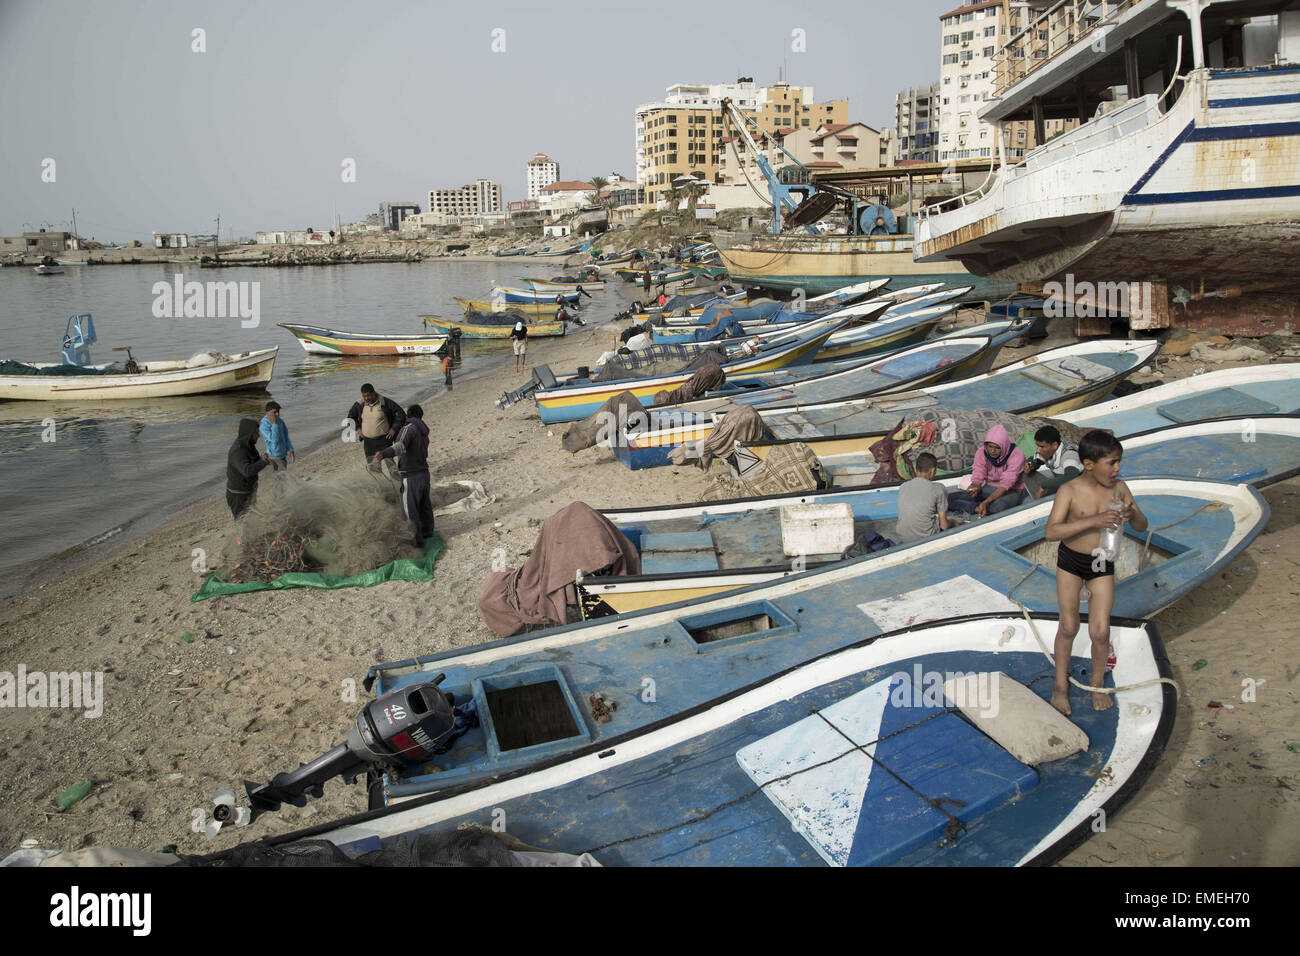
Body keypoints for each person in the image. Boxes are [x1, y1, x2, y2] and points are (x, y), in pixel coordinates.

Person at [1045, 429, 1148, 715]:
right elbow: (1052, 531)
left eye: (1119, 463)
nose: (1117, 469)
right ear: (1089, 464)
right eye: (1111, 463)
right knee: (1068, 626)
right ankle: (1060, 686)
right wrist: (1094, 520)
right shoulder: (1070, 491)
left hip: (1102, 563)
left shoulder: (1120, 488)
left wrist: (1133, 515)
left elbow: (1141, 525)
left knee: (1100, 632)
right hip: (1071, 562)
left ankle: (1097, 682)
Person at [374, 404, 435, 548]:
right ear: (421, 416)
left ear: (408, 416)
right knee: (424, 505)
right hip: (423, 473)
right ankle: (427, 532)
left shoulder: (408, 429)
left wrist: (383, 454)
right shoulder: (423, 431)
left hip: (411, 475)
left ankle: (416, 541)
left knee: (410, 510)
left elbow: (399, 446)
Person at [947, 424, 1028, 518]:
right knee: (947, 499)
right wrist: (975, 485)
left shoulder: (1017, 455)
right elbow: (978, 472)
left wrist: (986, 502)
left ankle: (980, 506)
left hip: (1011, 491)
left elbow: (1006, 484)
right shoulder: (982, 452)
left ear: (1004, 445)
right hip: (989, 488)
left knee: (998, 507)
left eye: (997, 448)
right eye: (990, 446)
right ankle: (977, 508)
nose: (993, 451)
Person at [894, 452, 951, 544]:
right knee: (952, 522)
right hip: (926, 537)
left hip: (902, 536)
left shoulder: (903, 486)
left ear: (916, 469)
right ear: (932, 471)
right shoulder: (938, 488)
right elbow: (944, 526)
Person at [346, 384, 406, 462]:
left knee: (391, 465)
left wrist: (394, 429)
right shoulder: (359, 404)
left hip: (384, 440)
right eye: (364, 396)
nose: (366, 398)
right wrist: (358, 429)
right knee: (373, 467)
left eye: (368, 395)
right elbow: (350, 418)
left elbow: (401, 414)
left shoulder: (385, 402)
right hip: (368, 442)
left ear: (374, 393)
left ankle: (396, 474)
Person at [1023, 425, 1083, 499]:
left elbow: (1071, 477)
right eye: (1037, 446)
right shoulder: (1049, 451)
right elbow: (1036, 460)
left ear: (1054, 445)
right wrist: (1029, 464)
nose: (1038, 450)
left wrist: (1044, 485)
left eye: (1042, 446)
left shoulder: (1069, 455)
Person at [226, 418, 269, 519]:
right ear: (249, 433)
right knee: (243, 523)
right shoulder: (238, 450)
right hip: (238, 496)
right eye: (256, 433)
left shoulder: (249, 445)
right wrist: (264, 462)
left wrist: (263, 459)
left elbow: (254, 462)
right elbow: (247, 471)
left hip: (249, 491)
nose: (258, 435)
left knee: (252, 520)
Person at [259, 400, 294, 470]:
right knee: (281, 475)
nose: (277, 414)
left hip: (282, 454)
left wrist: (290, 449)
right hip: (273, 456)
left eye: (278, 412)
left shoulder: (280, 421)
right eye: (275, 412)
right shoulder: (264, 426)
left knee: (282, 473)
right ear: (268, 413)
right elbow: (274, 439)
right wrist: (274, 423)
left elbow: (286, 436)